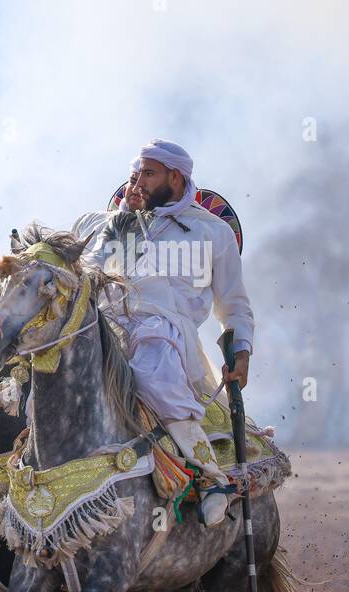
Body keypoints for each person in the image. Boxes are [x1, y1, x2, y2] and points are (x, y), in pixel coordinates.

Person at [84, 138, 253, 525]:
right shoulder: (119, 222)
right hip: (106, 326)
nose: (138, 182)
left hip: (167, 334)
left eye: (148, 174)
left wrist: (241, 351)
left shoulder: (212, 233)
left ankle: (212, 478)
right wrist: (122, 218)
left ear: (175, 177)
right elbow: (89, 275)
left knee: (152, 370)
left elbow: (234, 303)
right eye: (134, 174)